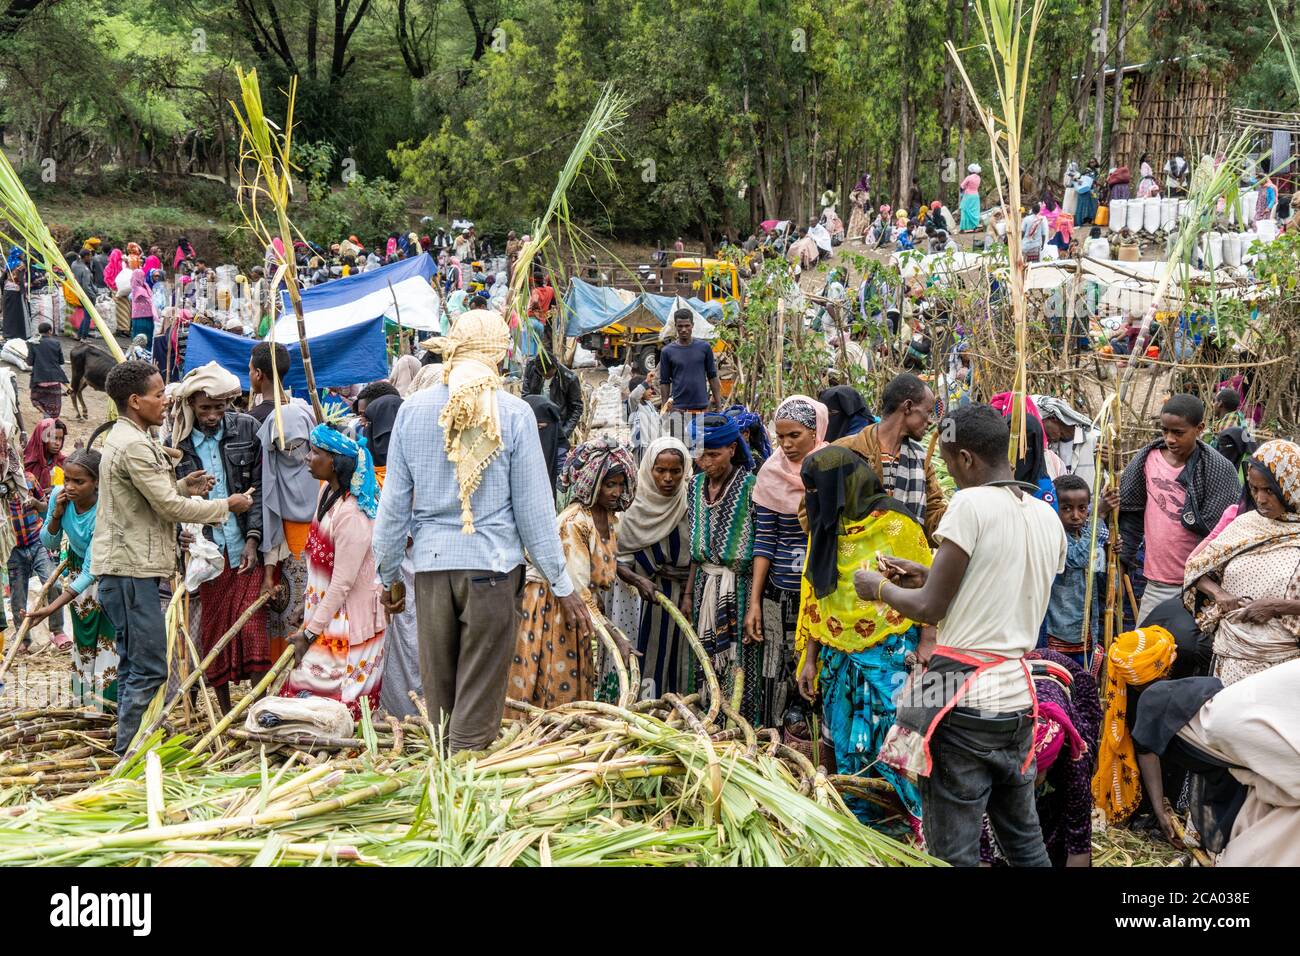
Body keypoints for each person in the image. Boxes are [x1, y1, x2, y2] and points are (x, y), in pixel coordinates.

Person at [855, 404, 1067, 866]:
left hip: (962, 696)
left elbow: (932, 607)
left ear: (967, 458)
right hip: (1016, 696)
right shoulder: (1045, 514)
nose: (949, 475)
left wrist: (881, 589)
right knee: (1025, 843)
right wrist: (927, 574)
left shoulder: (969, 504)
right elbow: (998, 582)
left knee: (952, 852)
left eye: (949, 464)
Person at [371, 310, 591, 753]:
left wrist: (389, 577)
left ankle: (444, 783)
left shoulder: (413, 412)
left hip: (432, 572)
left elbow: (392, 510)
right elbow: (534, 513)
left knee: (441, 699)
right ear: (497, 354)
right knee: (477, 700)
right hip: (491, 573)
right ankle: (464, 791)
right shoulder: (513, 413)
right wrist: (562, 583)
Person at [92, 360, 252, 754]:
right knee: (148, 668)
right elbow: (167, 507)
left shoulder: (131, 438)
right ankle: (131, 752)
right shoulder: (133, 444)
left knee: (135, 664)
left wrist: (183, 485)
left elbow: (150, 496)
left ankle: (129, 747)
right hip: (131, 569)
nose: (166, 401)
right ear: (135, 401)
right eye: (159, 394)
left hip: (128, 567)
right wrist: (224, 506)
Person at [795, 445, 931, 830]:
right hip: (838, 660)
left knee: (895, 745)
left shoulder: (897, 524)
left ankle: (910, 829)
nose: (813, 500)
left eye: (819, 490)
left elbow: (929, 586)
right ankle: (862, 829)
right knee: (847, 747)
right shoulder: (825, 529)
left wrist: (928, 641)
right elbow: (815, 597)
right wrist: (810, 658)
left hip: (891, 657)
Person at [509, 438, 637, 707]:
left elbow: (599, 573)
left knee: (571, 670)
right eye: (609, 484)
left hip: (577, 607)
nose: (615, 492)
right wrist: (617, 639)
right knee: (553, 672)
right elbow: (578, 591)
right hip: (553, 605)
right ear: (592, 484)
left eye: (619, 484)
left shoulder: (610, 519)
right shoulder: (574, 522)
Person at [1133, 659, 1300, 865]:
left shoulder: (1222, 725)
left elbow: (1291, 773)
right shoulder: (1210, 722)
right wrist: (1161, 812)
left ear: (1179, 735)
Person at [171, 363, 267, 714]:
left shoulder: (248, 429)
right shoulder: (178, 444)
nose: (212, 415)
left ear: (229, 403)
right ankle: (225, 711)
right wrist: (179, 535)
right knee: (212, 631)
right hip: (206, 553)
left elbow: (260, 491)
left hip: (243, 544)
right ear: (192, 405)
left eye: (219, 407)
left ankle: (259, 707)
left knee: (253, 626)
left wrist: (255, 540)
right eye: (204, 408)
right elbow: (171, 501)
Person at [279, 425, 386, 717]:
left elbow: (342, 583)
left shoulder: (352, 513)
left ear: (335, 463)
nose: (307, 458)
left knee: (338, 695)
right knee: (311, 690)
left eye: (316, 453)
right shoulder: (326, 493)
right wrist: (307, 603)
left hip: (349, 619)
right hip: (326, 610)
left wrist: (310, 632)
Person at [1182, 440, 1300, 685]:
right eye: (1254, 489)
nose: (1261, 499)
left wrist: (1277, 607)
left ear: (1292, 485)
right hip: (1230, 660)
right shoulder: (1246, 525)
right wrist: (1219, 593)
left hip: (1283, 668)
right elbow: (1196, 568)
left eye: (1269, 490)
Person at [1118, 394, 1239, 623]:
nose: (1170, 439)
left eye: (1178, 433)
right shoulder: (1148, 459)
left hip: (1200, 586)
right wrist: (1124, 562)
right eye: (1165, 431)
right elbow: (1131, 514)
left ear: (1199, 428)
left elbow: (1224, 533)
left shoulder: (1218, 469)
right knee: (1145, 650)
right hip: (1154, 582)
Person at [746, 396, 827, 728]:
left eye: (795, 435)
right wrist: (755, 601)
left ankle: (815, 745)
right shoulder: (771, 473)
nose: (787, 444)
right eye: (780, 437)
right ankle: (776, 740)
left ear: (816, 431)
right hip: (780, 594)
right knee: (778, 670)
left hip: (822, 593)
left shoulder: (831, 468)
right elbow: (765, 539)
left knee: (816, 671)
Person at [982, 649, 1100, 867]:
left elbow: (1079, 842)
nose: (1027, 784)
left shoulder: (1073, 757)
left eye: (1034, 777)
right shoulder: (990, 752)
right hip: (1020, 681)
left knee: (1061, 814)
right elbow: (981, 847)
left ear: (1051, 762)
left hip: (1071, 684)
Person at [804, 373, 946, 542]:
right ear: (907, 407)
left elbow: (931, 513)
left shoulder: (921, 459)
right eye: (928, 412)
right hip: (853, 563)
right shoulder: (845, 451)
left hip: (904, 562)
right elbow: (808, 512)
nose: (930, 421)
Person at [26, 450, 118, 703]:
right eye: (67, 479)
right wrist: (55, 513)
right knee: (84, 637)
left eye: (79, 482)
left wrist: (51, 608)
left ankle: (109, 703)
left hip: (109, 574)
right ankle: (84, 700)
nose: (70, 486)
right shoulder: (59, 495)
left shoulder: (104, 511)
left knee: (107, 638)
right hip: (78, 570)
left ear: (97, 481)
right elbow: (49, 541)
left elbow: (93, 569)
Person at [683, 414, 759, 720]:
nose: (705, 462)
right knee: (703, 657)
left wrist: (754, 601)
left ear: (731, 448)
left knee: (737, 658)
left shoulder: (751, 486)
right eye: (700, 455)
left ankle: (736, 718)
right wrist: (688, 593)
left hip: (739, 586)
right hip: (704, 583)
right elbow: (694, 546)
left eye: (713, 454)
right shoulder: (694, 486)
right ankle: (705, 715)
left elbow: (759, 547)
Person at [617, 436, 692, 697]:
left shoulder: (690, 502)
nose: (668, 478)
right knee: (648, 650)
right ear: (649, 470)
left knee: (682, 654)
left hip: (687, 593)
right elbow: (618, 557)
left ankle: (679, 702)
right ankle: (646, 701)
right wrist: (638, 581)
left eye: (675, 471)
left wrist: (688, 587)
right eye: (660, 470)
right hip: (646, 596)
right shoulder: (633, 507)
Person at [1091, 624, 1177, 824]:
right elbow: (1144, 747)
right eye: (1137, 686)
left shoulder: (1184, 657)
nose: (1141, 690)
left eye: (1142, 685)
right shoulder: (1131, 670)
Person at [1043, 474, 1116, 664]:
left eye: (1082, 509)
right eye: (1066, 508)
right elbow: (1077, 558)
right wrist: (1098, 516)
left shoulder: (1087, 534)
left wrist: (1110, 555)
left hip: (1087, 633)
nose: (1076, 516)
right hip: (1059, 634)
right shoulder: (1055, 537)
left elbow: (1104, 582)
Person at [658, 309, 721, 414]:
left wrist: (719, 406)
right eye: (680, 326)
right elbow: (664, 382)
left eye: (687, 326)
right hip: (677, 409)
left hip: (701, 408)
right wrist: (665, 407)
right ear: (675, 326)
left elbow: (712, 376)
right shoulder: (667, 351)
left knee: (698, 431)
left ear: (692, 325)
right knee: (678, 431)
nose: (683, 329)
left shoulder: (704, 347)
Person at [522, 349, 583, 456]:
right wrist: (531, 421)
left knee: (555, 462)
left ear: (555, 366)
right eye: (543, 374)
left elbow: (576, 408)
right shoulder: (532, 367)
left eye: (548, 375)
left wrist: (564, 433)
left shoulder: (569, 378)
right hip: (535, 425)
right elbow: (526, 396)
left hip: (556, 427)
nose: (545, 376)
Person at [1034, 394, 1098, 488]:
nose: (1041, 433)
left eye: (1041, 425)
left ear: (1053, 418)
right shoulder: (1049, 449)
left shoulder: (1093, 439)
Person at [27, 321, 67, 420]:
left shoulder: (33, 344)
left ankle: (44, 413)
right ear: (50, 331)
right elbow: (61, 361)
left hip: (39, 380)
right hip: (54, 379)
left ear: (39, 332)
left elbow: (30, 362)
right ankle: (53, 419)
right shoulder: (56, 343)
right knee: (54, 403)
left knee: (35, 399)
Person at [247, 341, 291, 425]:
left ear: (258, 374)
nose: (249, 373)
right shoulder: (303, 408)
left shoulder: (251, 420)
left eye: (250, 369)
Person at [958, 164, 982, 231]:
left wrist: (961, 194)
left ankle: (963, 228)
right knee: (975, 211)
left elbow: (962, 186)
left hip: (968, 195)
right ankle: (974, 226)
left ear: (970, 171)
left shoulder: (969, 177)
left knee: (965, 210)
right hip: (976, 196)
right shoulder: (979, 178)